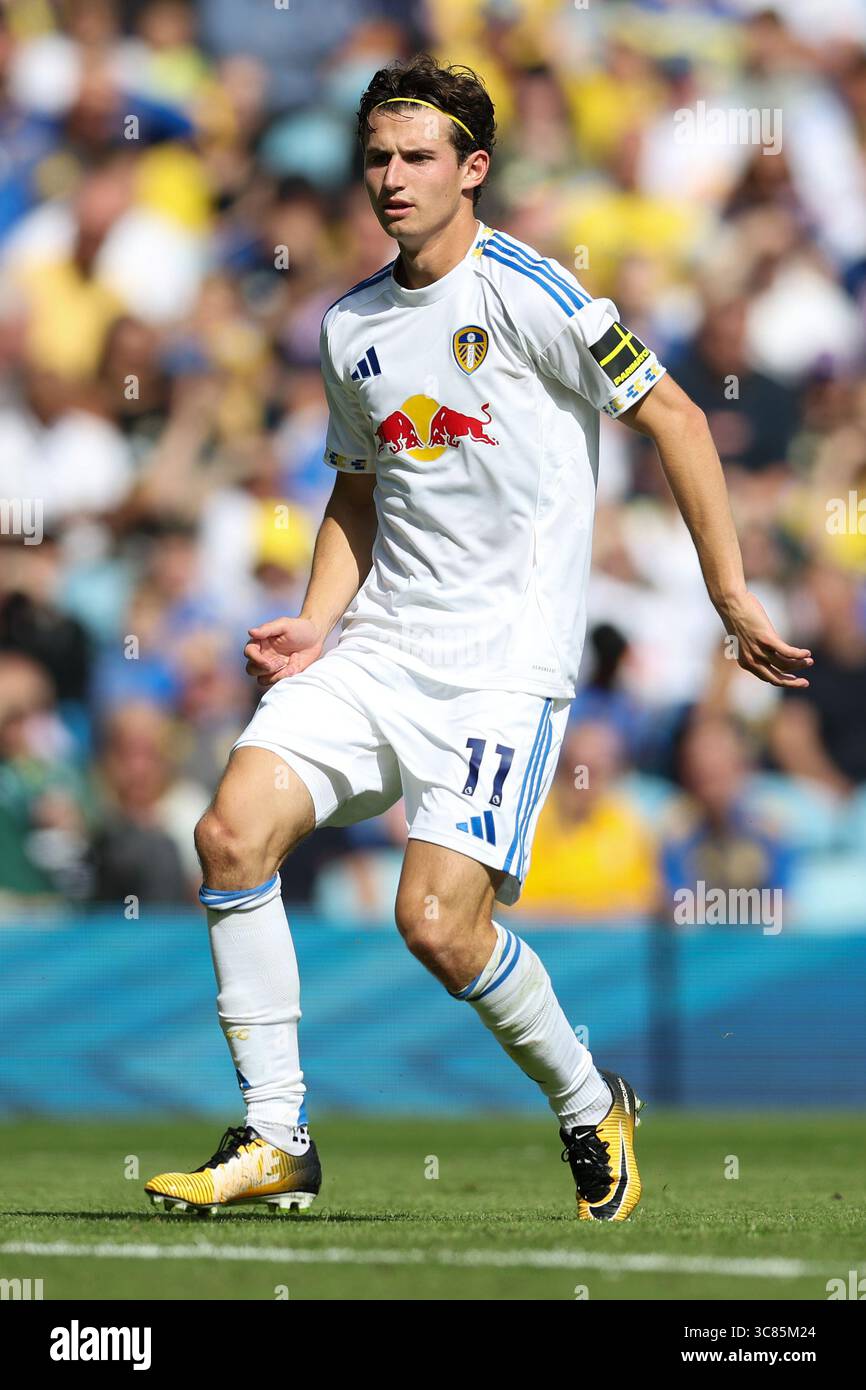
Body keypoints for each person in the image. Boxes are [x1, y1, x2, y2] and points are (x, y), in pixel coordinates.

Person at [144, 54, 812, 1222]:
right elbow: (358, 488)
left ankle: (585, 1098)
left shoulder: (534, 294)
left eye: (415, 157)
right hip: (378, 648)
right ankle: (274, 1134)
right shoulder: (348, 322)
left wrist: (729, 591)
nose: (390, 179)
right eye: (376, 158)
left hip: (501, 669)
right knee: (228, 831)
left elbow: (675, 416)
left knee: (438, 926)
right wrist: (315, 618)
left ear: (473, 168)